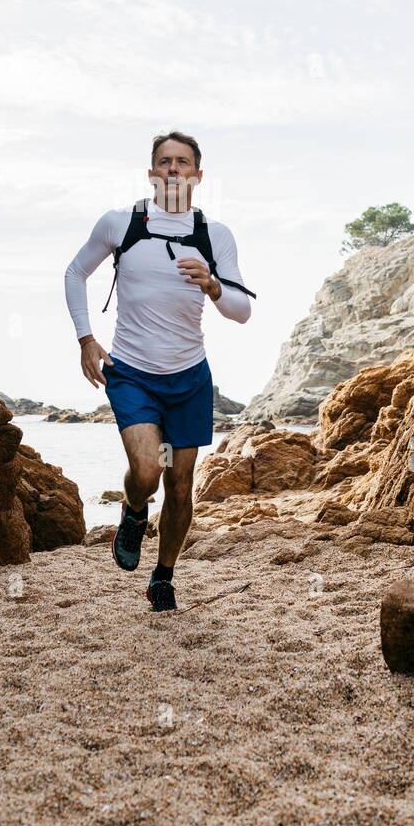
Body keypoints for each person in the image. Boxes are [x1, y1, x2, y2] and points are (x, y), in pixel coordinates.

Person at [63, 130, 255, 611]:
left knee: (182, 484)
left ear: (197, 175)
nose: (173, 169)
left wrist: (212, 284)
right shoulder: (120, 223)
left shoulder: (214, 235)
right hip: (132, 372)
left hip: (189, 376)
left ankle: (163, 576)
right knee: (148, 472)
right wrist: (87, 338)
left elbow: (241, 310)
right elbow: (74, 273)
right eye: (165, 161)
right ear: (152, 173)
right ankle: (132, 511)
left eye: (183, 162)